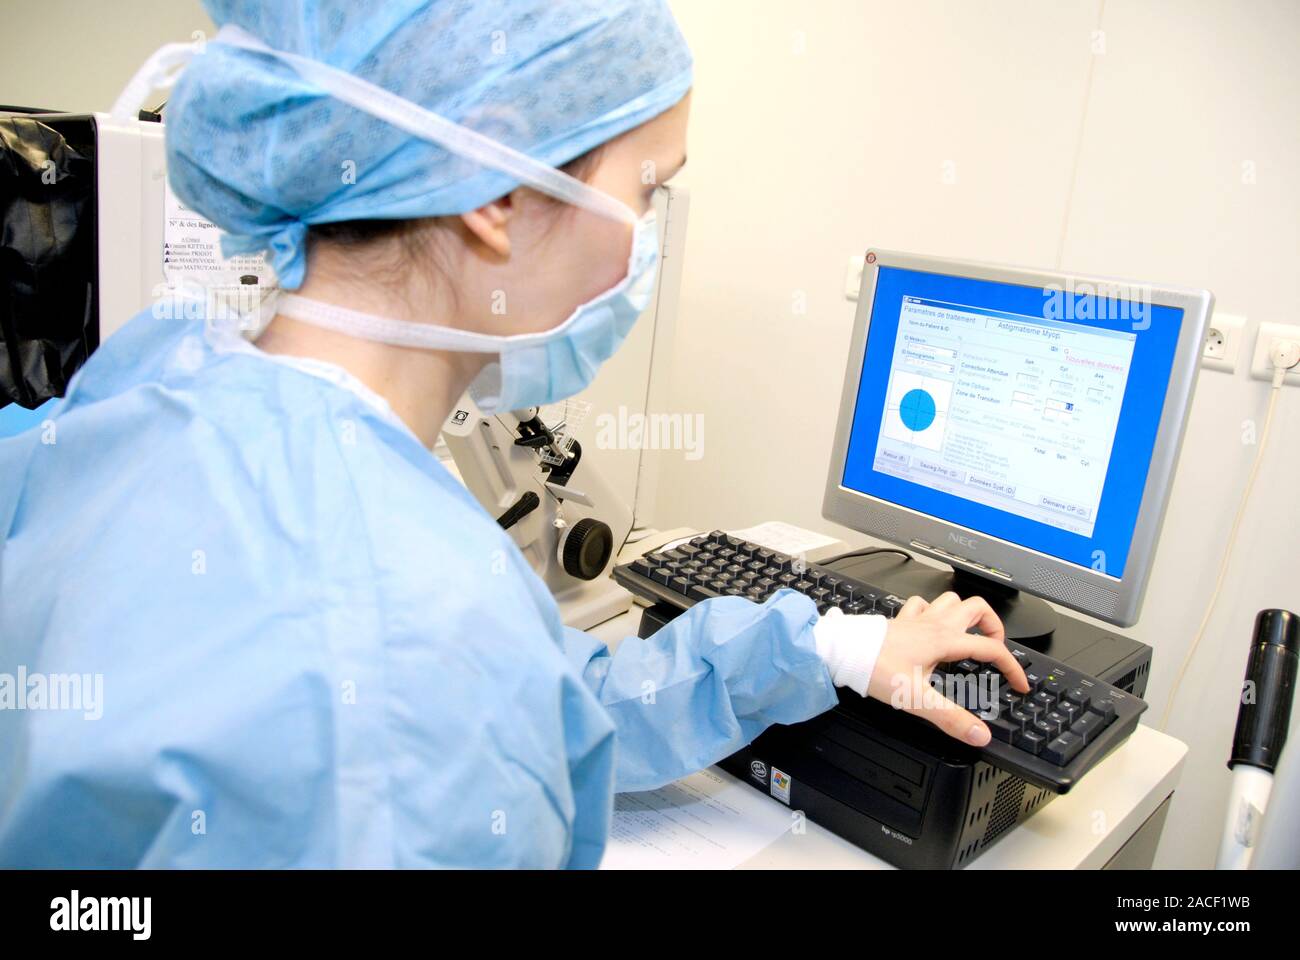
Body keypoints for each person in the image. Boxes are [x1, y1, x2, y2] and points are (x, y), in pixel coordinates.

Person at [0, 0, 1026, 868]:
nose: (649, 236)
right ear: (496, 195)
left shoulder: (151, 382)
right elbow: (446, 701)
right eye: (646, 189)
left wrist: (837, 641)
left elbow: (542, 695)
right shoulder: (408, 646)